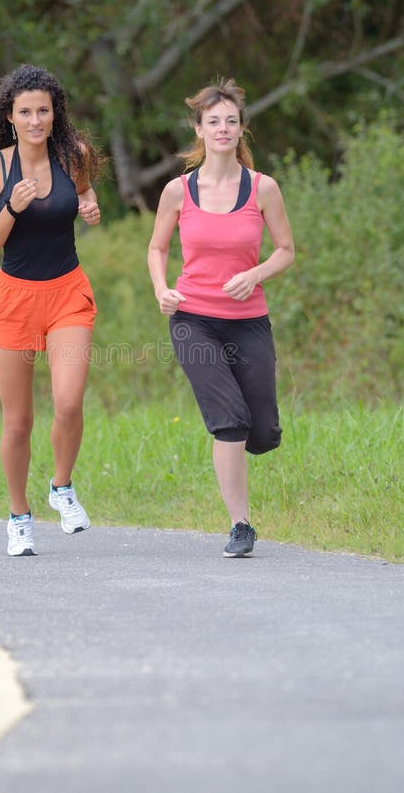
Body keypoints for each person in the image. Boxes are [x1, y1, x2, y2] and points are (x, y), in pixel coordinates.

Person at [148, 78, 295, 558]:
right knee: (228, 420)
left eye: (231, 121)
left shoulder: (263, 188)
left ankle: (249, 442)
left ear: (241, 129)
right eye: (214, 121)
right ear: (199, 129)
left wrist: (255, 274)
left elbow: (286, 252)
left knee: (263, 430)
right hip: (194, 318)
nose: (223, 129)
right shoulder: (178, 190)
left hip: (249, 318)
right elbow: (157, 247)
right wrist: (162, 290)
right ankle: (241, 525)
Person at [0, 64, 102, 556]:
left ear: (55, 113)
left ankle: (61, 487)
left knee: (68, 402)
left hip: (68, 291)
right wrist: (12, 210)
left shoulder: (74, 156)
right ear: (9, 116)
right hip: (14, 298)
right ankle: (19, 516)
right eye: (25, 111)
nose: (35, 120)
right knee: (18, 421)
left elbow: (86, 196)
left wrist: (91, 207)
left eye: (43, 111)